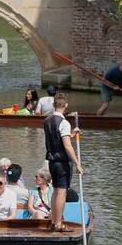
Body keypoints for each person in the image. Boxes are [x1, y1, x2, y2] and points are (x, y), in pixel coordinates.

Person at [43, 92, 84, 232]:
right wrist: (77, 163)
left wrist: (71, 134)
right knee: (61, 193)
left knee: (55, 192)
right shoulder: (64, 122)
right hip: (62, 163)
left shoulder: (47, 121)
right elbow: (67, 146)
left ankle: (54, 222)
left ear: (54, 105)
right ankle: (59, 224)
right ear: (66, 105)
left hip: (52, 162)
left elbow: (57, 139)